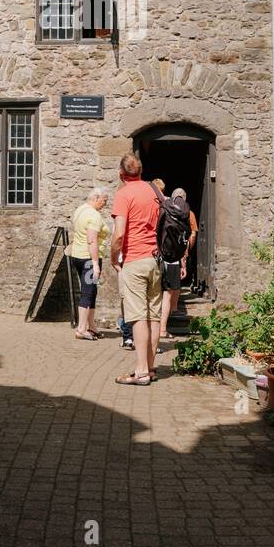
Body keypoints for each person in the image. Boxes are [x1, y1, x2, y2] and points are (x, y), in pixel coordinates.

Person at [111, 152, 162, 386]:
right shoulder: (155, 191)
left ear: (122, 174)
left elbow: (120, 233)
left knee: (138, 317)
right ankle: (150, 368)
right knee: (154, 316)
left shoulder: (123, 194)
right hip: (155, 261)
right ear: (140, 171)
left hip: (134, 260)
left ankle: (141, 371)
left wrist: (114, 258)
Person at [69, 188, 110, 341]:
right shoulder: (94, 215)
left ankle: (92, 327)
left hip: (77, 256)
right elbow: (91, 240)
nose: (105, 204)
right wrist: (95, 264)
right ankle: (81, 329)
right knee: (87, 293)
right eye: (104, 200)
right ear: (96, 198)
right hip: (88, 259)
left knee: (91, 292)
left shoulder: (80, 210)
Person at [157, 186, 195, 341]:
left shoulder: (161, 209)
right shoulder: (186, 214)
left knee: (153, 296)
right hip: (173, 259)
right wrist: (183, 263)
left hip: (155, 256)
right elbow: (185, 240)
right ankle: (162, 329)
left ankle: (154, 328)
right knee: (167, 295)